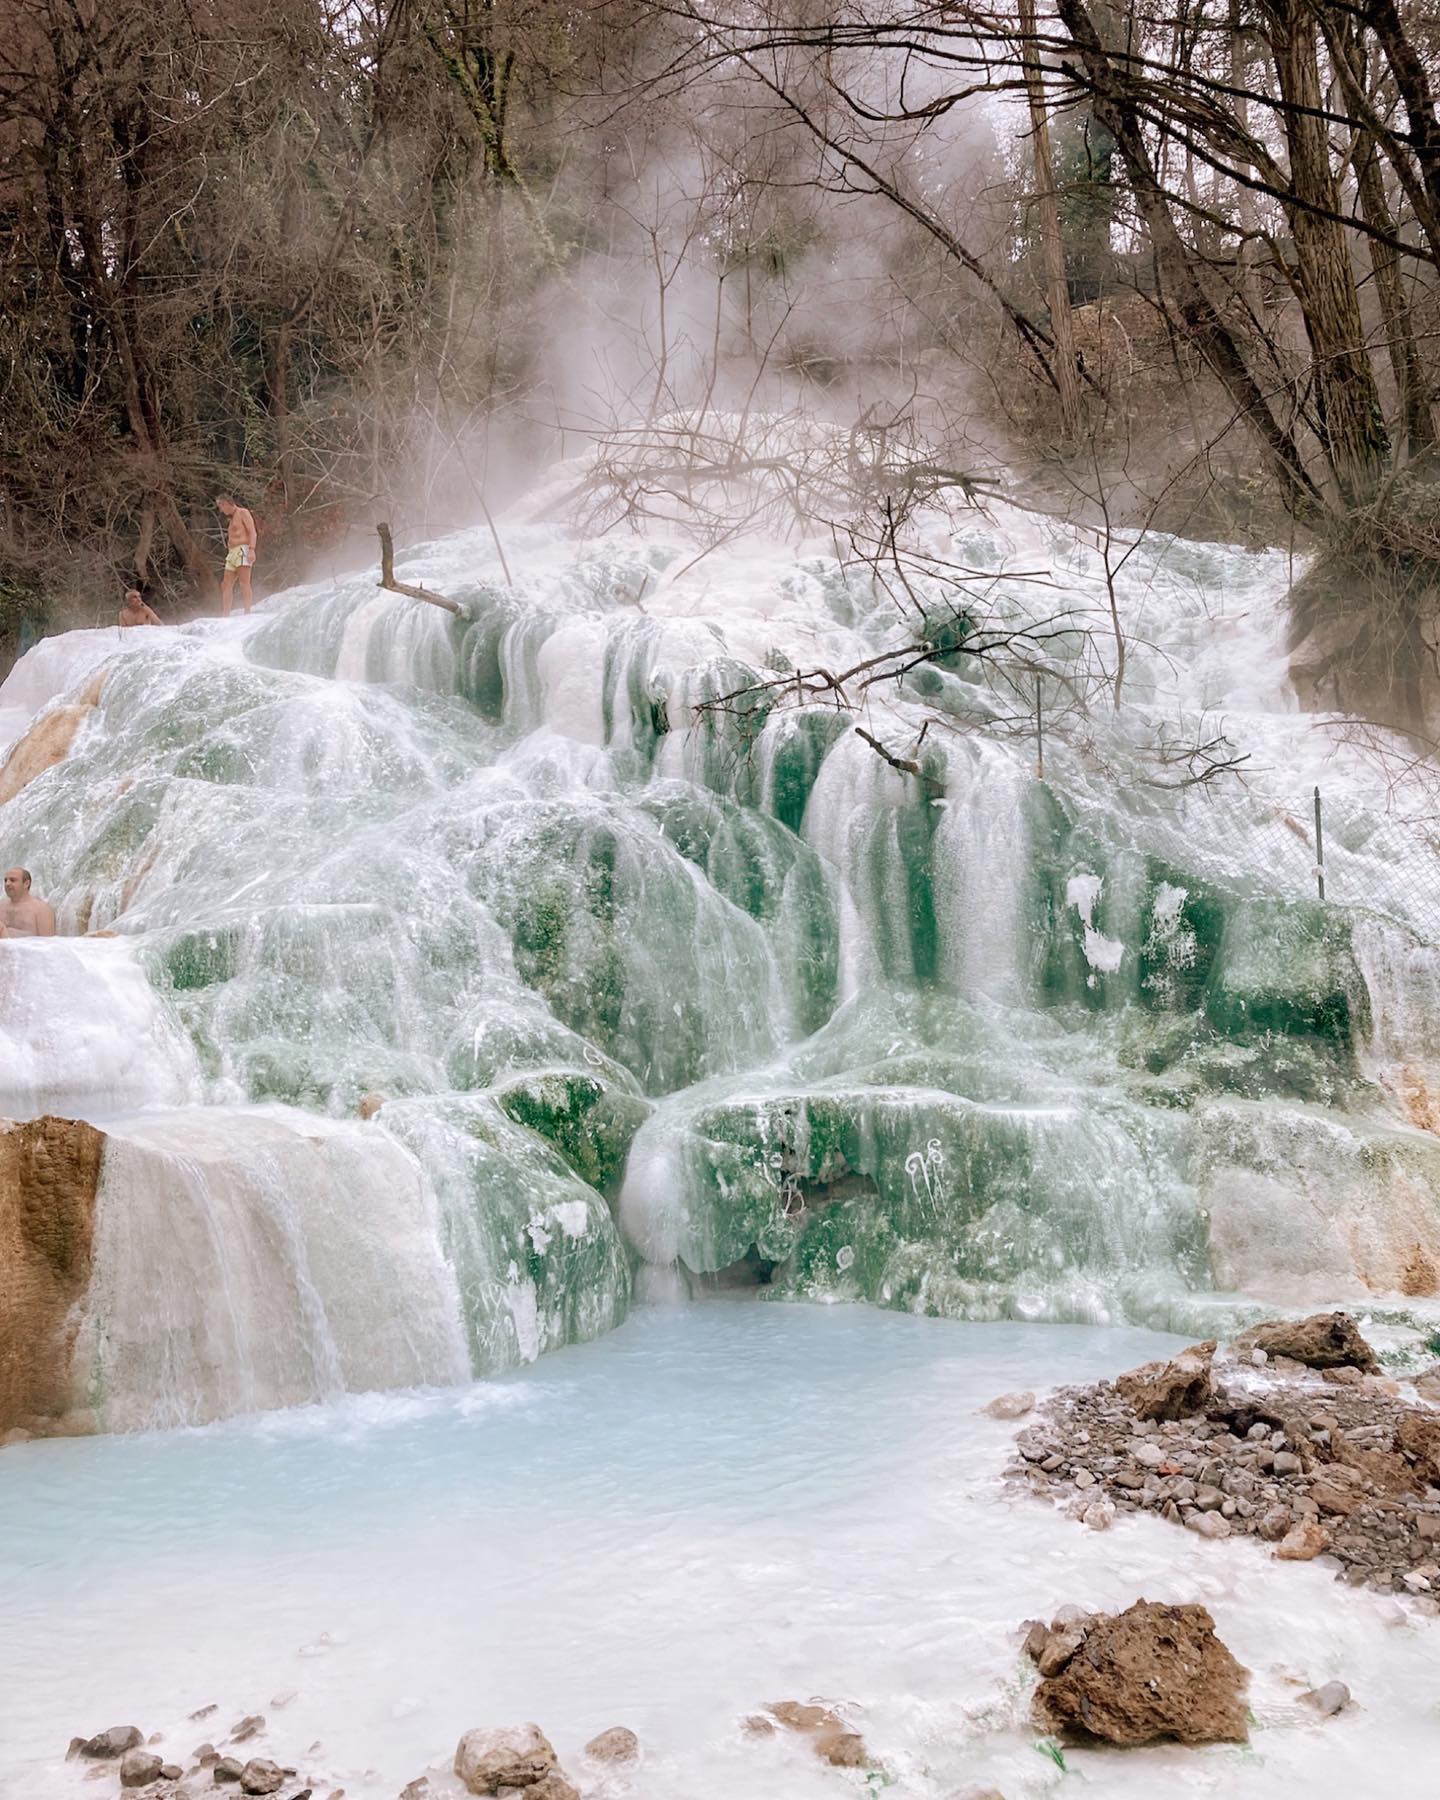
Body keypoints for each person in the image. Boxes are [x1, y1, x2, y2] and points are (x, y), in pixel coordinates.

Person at [216, 494, 258, 618]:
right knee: (225, 584)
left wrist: (252, 549)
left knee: (244, 582)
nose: (221, 510)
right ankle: (225, 614)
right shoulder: (232, 518)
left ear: (226, 503)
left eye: (221, 506)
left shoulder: (243, 513)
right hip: (232, 553)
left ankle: (247, 611)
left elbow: (252, 532)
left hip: (243, 549)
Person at [0, 867, 56, 937]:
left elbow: (48, 944)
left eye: (12, 880)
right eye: (5, 880)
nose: (7, 884)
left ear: (26, 883)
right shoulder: (1, 907)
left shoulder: (42, 909)